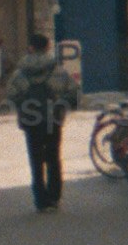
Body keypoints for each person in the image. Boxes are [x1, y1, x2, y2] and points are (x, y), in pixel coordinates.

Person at [5, 30, 77, 212]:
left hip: (31, 121)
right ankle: (54, 196)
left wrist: (24, 106)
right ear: (47, 47)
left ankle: (40, 200)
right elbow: (72, 92)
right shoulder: (57, 70)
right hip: (53, 120)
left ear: (30, 48)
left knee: (35, 160)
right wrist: (61, 105)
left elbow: (11, 95)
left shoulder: (20, 73)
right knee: (53, 157)